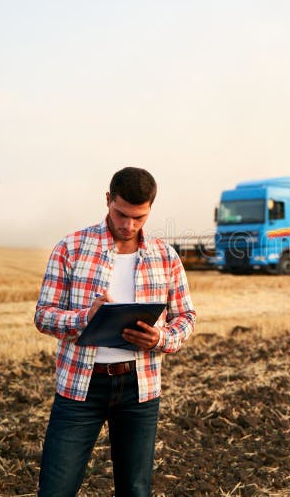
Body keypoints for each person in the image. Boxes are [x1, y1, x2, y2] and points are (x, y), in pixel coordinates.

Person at [34, 167, 196, 496]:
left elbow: (186, 317)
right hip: (80, 388)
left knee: (135, 490)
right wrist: (84, 318)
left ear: (150, 208)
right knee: (55, 490)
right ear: (108, 200)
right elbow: (43, 316)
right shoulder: (71, 249)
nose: (129, 225)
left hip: (139, 389)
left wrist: (161, 339)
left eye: (139, 217)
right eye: (121, 214)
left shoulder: (165, 256)